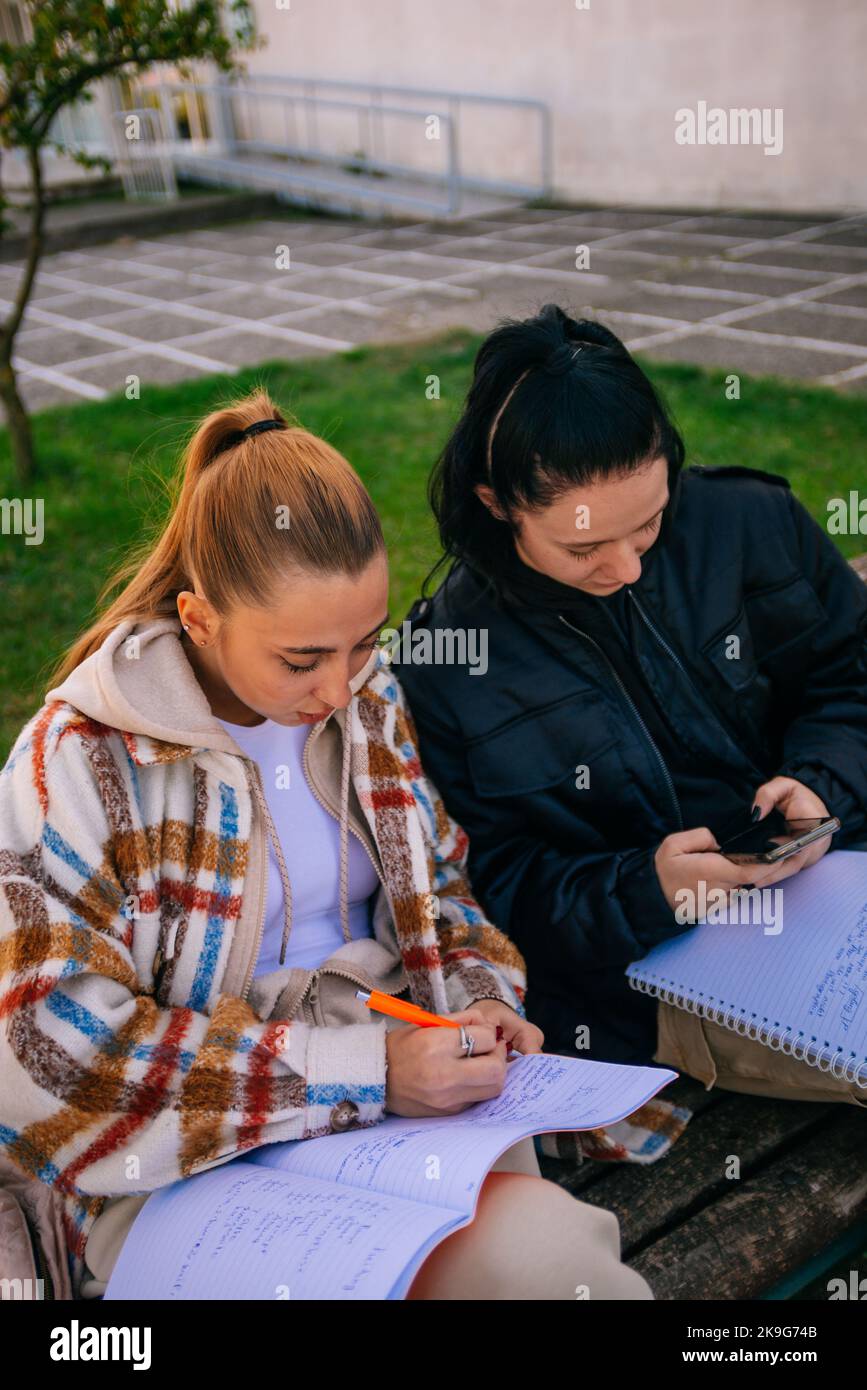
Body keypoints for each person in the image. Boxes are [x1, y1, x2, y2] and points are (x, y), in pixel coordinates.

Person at [0, 388, 652, 1302]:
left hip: (394, 1115)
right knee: (529, 1268)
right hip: (183, 1167)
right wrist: (362, 1074)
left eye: (363, 644)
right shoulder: (79, 762)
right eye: (301, 660)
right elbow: (49, 1057)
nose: (339, 687)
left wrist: (476, 995)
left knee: (556, 1267)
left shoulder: (366, 698)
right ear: (197, 620)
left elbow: (445, 891)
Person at [397, 304, 867, 1107]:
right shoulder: (445, 663)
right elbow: (491, 889)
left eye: (648, 523)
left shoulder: (748, 521)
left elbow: (851, 678)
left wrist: (822, 781)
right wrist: (649, 890)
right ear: (496, 500)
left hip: (843, 886)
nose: (627, 568)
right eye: (583, 547)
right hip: (664, 977)